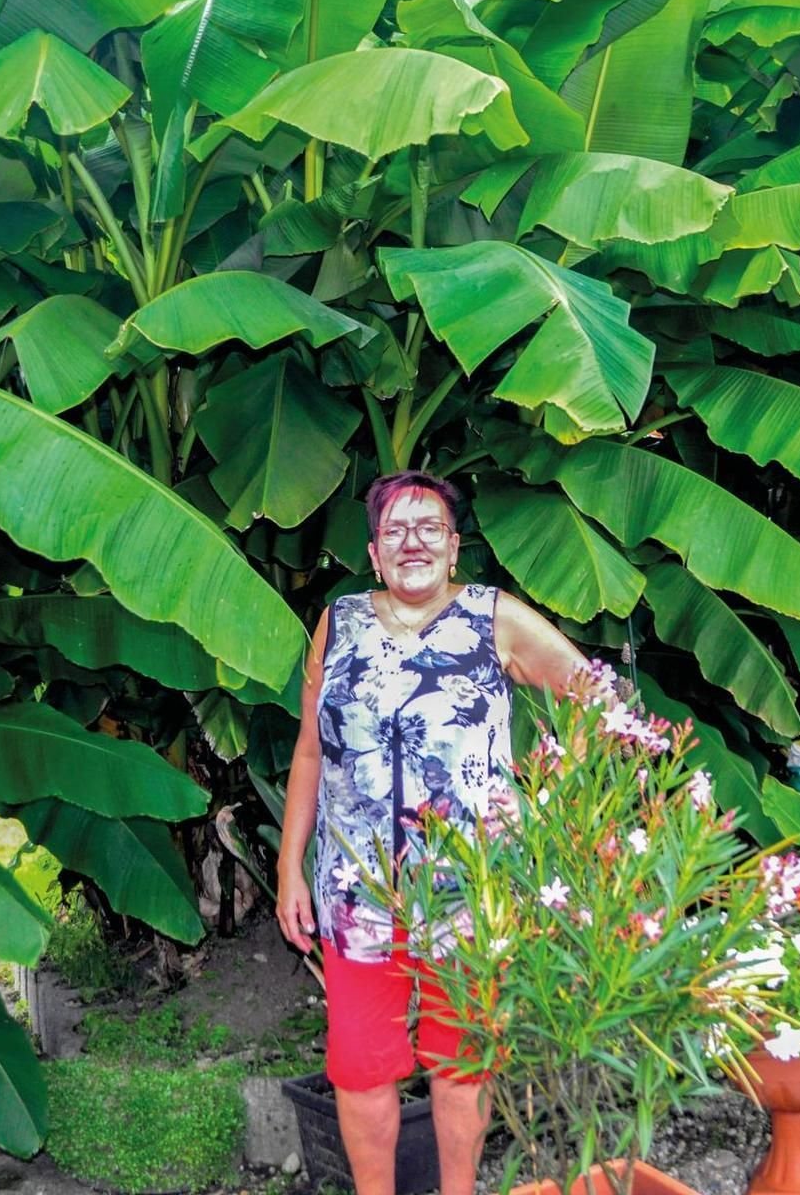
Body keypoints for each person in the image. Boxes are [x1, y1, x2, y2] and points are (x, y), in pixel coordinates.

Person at [276, 471, 585, 1195]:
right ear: (375, 554)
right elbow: (310, 753)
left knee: (461, 1059)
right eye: (395, 530)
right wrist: (291, 868)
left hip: (468, 890)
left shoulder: (493, 617)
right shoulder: (339, 622)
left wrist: (543, 804)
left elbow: (598, 696)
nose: (412, 541)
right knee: (359, 1066)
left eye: (430, 528)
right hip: (356, 892)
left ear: (453, 548)